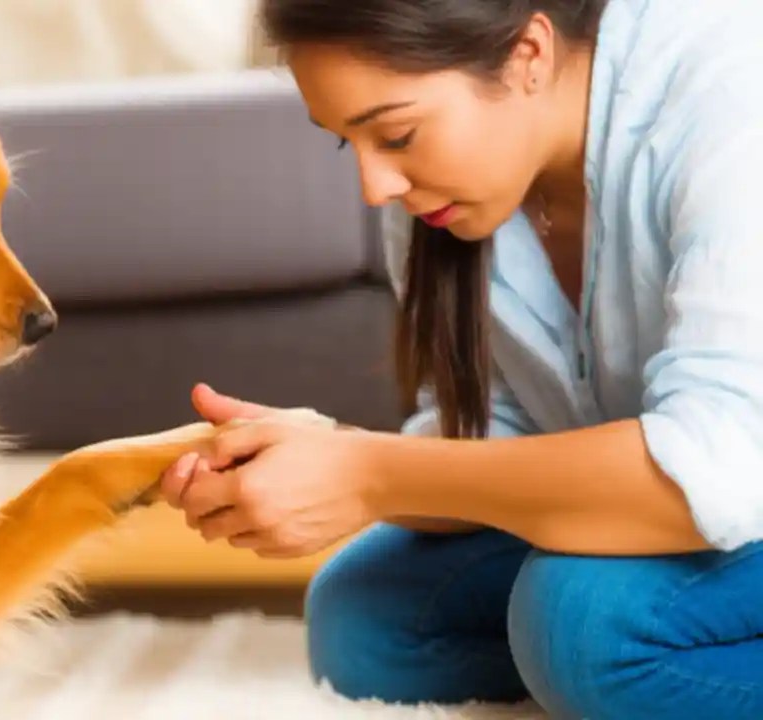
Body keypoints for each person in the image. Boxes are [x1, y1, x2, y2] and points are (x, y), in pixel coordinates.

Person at [156, 1, 763, 718]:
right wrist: (331, 456)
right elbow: (506, 429)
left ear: (528, 54)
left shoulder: (727, 97)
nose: (376, 186)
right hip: (684, 506)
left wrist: (372, 476)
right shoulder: (444, 193)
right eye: (350, 143)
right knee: (366, 619)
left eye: (397, 133)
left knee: (581, 623)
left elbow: (716, 470)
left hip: (732, 492)